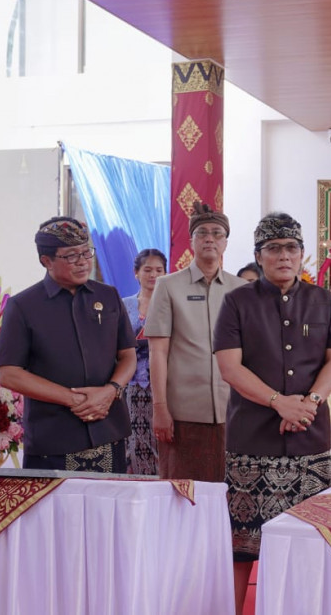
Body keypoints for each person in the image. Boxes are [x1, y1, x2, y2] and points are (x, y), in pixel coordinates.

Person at [214, 211, 331, 615]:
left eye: (291, 248)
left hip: (310, 440)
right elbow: (230, 366)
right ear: (258, 256)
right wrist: (278, 402)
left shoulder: (324, 300)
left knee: (312, 540)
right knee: (242, 546)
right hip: (252, 440)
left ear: (302, 254)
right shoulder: (237, 302)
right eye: (273, 249)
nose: (283, 256)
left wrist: (310, 404)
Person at [0, 217, 135, 472]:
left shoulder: (108, 296)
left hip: (108, 428)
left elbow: (127, 354)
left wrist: (110, 390)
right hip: (53, 436)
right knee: (54, 511)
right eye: (71, 256)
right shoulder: (23, 306)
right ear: (46, 261)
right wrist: (73, 399)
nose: (83, 262)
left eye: (86, 252)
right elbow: (9, 374)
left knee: (106, 509)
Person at [143, 202, 245, 481]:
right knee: (182, 493)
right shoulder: (168, 286)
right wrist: (160, 409)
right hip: (182, 413)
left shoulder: (242, 290)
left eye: (217, 233)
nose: (209, 238)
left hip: (234, 411)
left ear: (225, 242)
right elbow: (157, 352)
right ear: (191, 242)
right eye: (202, 233)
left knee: (233, 496)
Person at [121, 248, 167, 475]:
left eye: (159, 270)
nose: (153, 275)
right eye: (147, 270)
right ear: (135, 273)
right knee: (136, 440)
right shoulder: (123, 305)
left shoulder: (171, 304)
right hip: (132, 383)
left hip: (166, 382)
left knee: (165, 440)